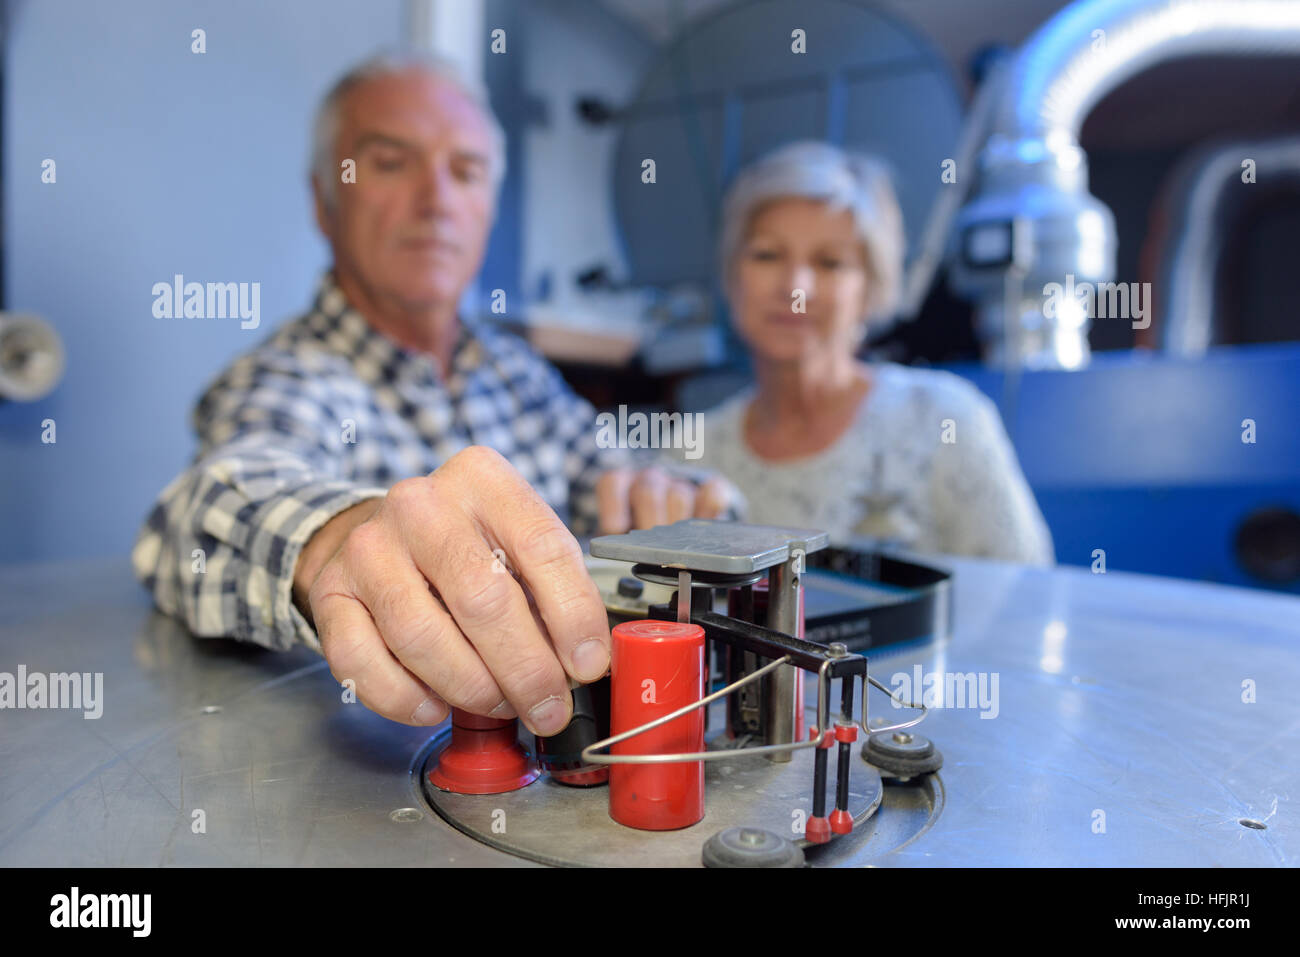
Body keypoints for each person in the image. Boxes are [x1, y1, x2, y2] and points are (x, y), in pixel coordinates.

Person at [131, 51, 733, 738]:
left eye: (466, 171)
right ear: (325, 201)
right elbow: (210, 502)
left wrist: (673, 500)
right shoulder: (289, 377)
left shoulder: (518, 371)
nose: (436, 198)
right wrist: (337, 543)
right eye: (390, 163)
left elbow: (616, 472)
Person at [683, 140, 1053, 563]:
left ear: (871, 289)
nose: (795, 288)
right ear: (732, 278)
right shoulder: (691, 454)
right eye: (767, 255)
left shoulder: (945, 419)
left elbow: (1026, 594)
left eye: (830, 263)